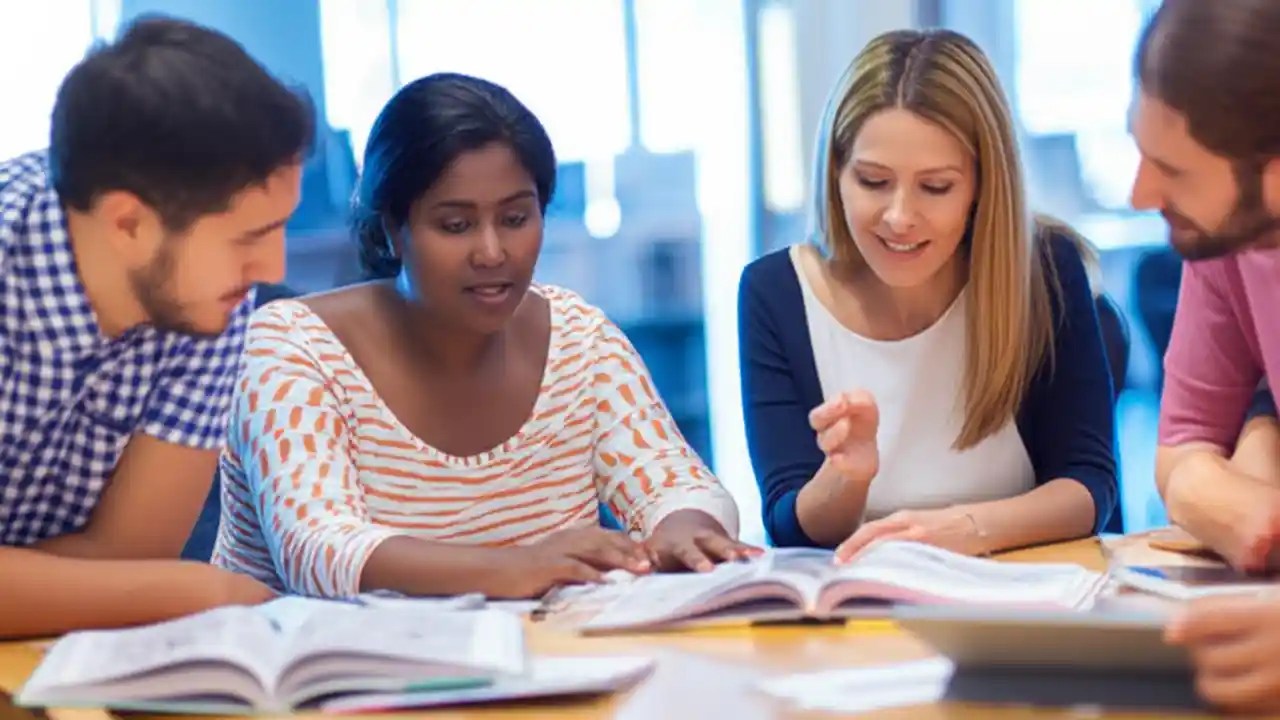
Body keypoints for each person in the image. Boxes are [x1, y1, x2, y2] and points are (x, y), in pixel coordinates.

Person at [211, 73, 754, 600]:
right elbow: (318, 550)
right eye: (455, 225)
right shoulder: (289, 346)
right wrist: (517, 567)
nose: (493, 252)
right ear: (390, 229)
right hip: (313, 680)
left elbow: (680, 486)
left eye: (516, 218)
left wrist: (684, 526)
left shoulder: (580, 340)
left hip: (546, 670)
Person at [738, 29, 1117, 561]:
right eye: (872, 181)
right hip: (863, 615)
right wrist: (846, 478)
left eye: (936, 187)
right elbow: (789, 525)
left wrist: (966, 529)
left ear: (983, 187)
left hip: (1026, 598)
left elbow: (1090, 487)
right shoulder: (774, 291)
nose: (898, 217)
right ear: (836, 174)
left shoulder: (1046, 270)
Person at [0, 16, 314, 639]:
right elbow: (147, 585)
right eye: (248, 237)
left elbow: (130, 561)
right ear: (127, 225)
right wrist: (201, 589)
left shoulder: (209, 303)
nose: (273, 268)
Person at [1130, 1, 1280, 714]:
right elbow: (1183, 444)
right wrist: (1234, 504)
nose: (1140, 194)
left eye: (1172, 170)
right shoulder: (1230, 237)